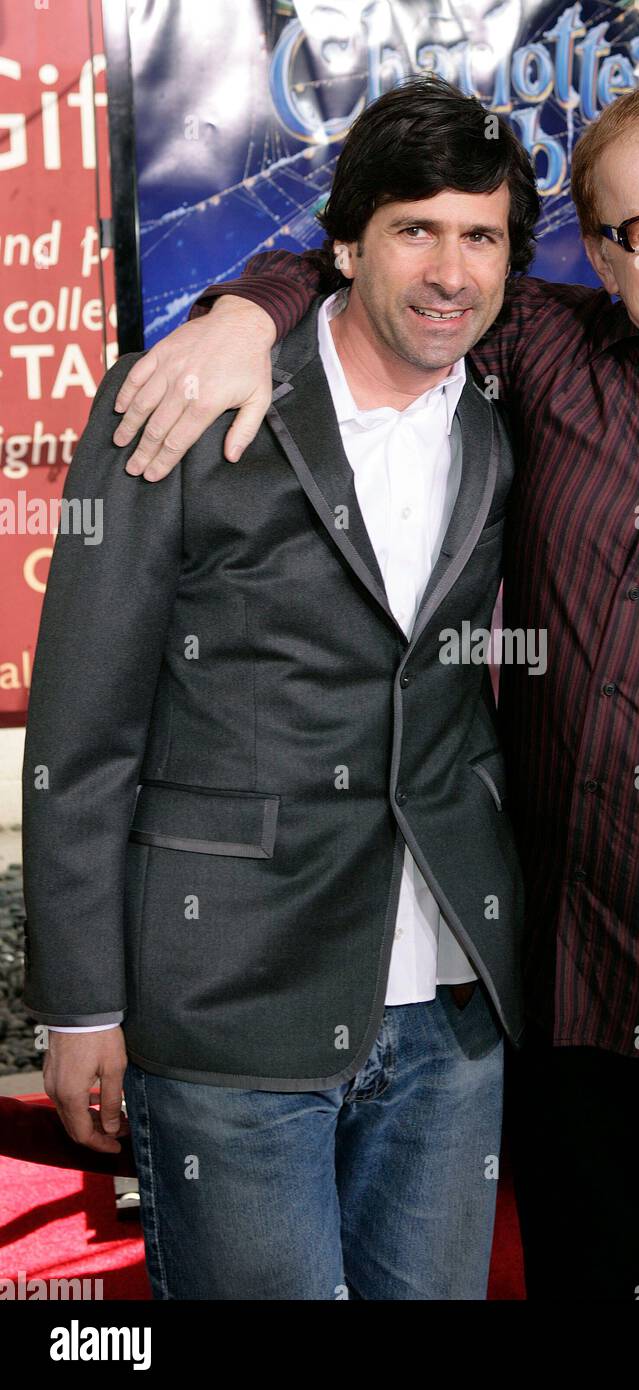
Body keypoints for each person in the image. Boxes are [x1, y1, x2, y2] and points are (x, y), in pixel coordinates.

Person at [109, 80, 639, 1302]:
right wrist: (248, 312)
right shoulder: (544, 352)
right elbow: (383, 260)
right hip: (578, 1028)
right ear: (599, 260)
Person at [22, 77, 535, 1300]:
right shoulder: (185, 402)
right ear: (347, 241)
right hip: (230, 996)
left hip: (453, 1000)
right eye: (416, 229)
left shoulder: (513, 419)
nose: (451, 271)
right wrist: (79, 1004)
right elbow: (83, 728)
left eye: (482, 235)